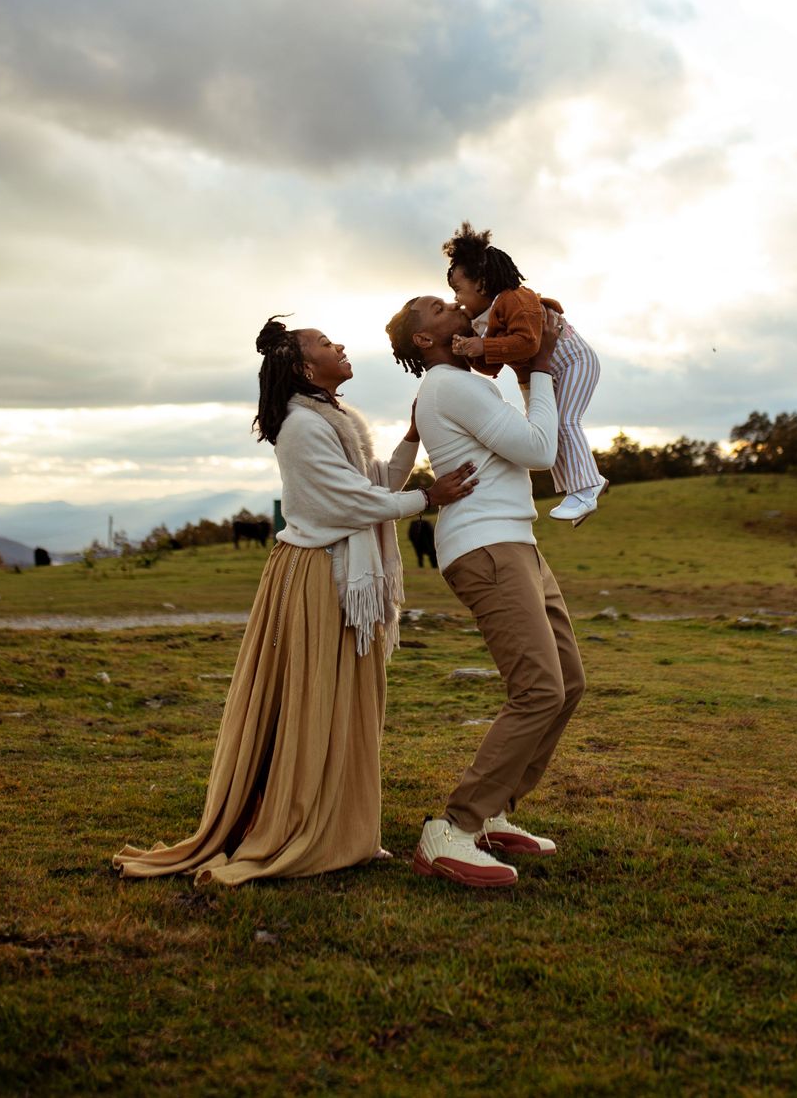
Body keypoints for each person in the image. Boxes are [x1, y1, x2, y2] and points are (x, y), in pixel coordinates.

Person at [113, 317, 477, 888]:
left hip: (338, 573)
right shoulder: (302, 425)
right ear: (307, 368)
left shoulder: (332, 416)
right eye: (327, 344)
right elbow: (345, 501)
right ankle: (305, 827)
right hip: (319, 576)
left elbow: (372, 482)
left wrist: (410, 439)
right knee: (315, 700)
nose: (340, 346)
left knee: (347, 703)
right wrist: (429, 497)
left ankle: (345, 831)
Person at [385, 294, 586, 889]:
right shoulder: (449, 384)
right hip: (486, 546)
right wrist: (542, 366)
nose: (455, 305)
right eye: (438, 308)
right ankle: (452, 828)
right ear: (425, 340)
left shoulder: (463, 383)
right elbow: (538, 450)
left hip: (514, 539)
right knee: (538, 688)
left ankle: (495, 812)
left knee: (568, 682)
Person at [442, 221, 606, 526]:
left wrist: (482, 345)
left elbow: (527, 342)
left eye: (457, 289)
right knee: (546, 431)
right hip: (539, 375)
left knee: (566, 421)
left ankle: (585, 490)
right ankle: (585, 481)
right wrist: (468, 349)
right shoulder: (485, 317)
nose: (456, 299)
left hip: (572, 361)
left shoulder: (517, 299)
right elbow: (492, 365)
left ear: (480, 283)